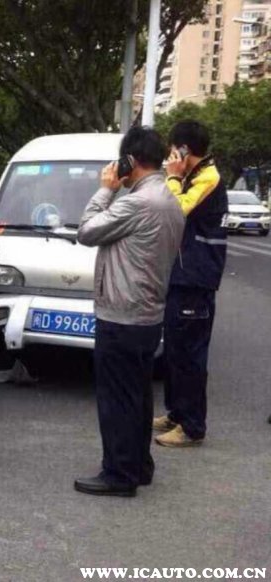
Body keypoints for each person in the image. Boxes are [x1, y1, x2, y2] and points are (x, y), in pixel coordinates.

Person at [74, 127, 185, 497]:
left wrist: (106, 189)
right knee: (137, 395)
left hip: (122, 315)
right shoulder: (167, 197)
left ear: (130, 161)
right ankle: (139, 466)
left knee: (117, 399)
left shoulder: (136, 203)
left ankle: (119, 475)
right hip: (148, 314)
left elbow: (87, 231)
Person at [153, 121, 228, 447]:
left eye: (173, 150)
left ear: (184, 150)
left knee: (190, 355)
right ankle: (176, 413)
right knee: (174, 348)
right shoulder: (193, 176)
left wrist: (172, 176)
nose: (170, 157)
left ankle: (192, 426)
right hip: (181, 274)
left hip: (195, 278)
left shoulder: (208, 178)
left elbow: (177, 210)